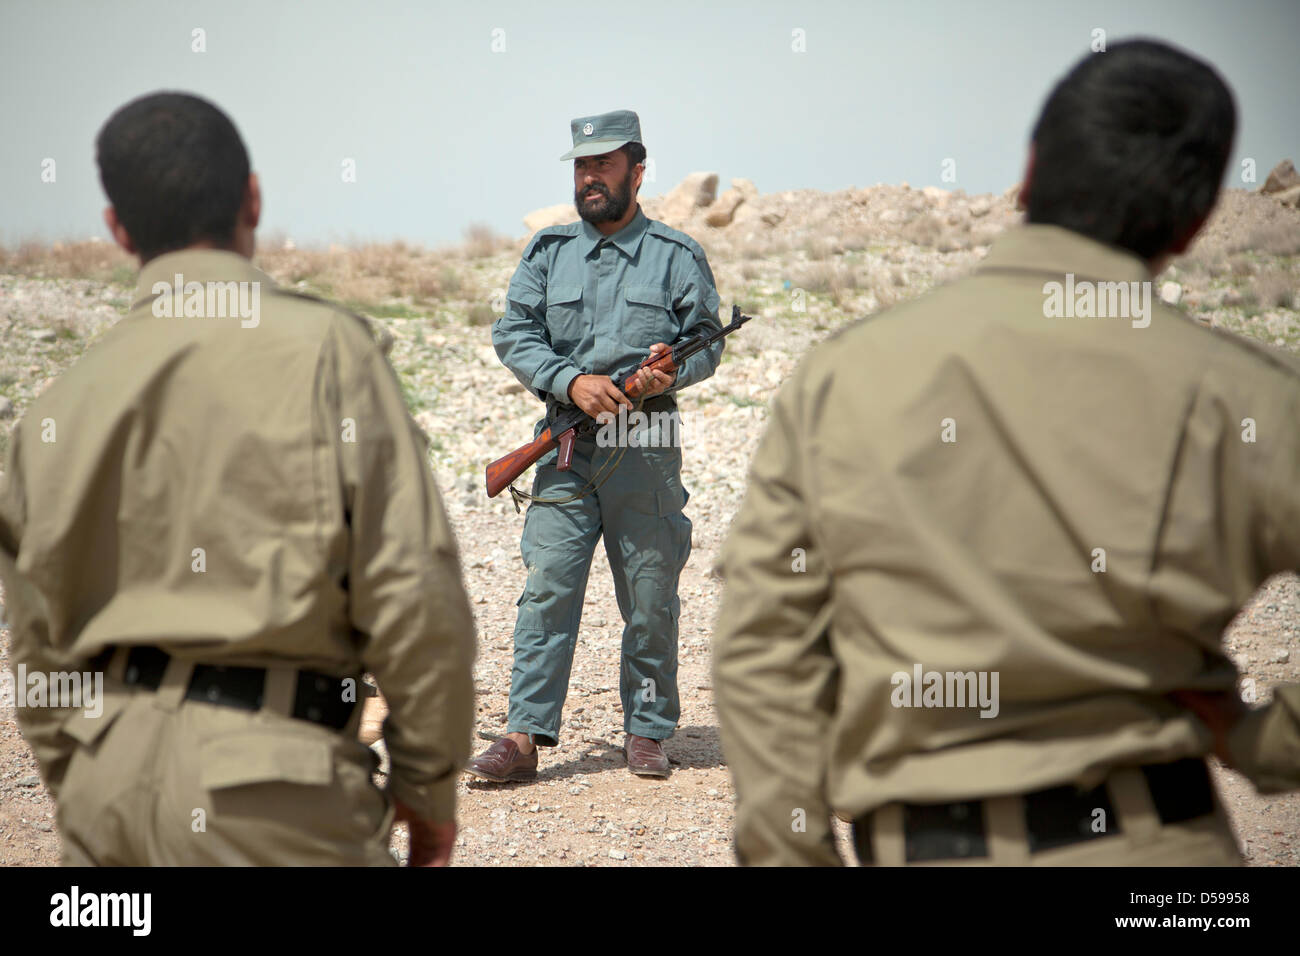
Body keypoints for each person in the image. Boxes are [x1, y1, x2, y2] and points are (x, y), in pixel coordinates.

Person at [713, 39, 1300, 866]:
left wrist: (788, 853)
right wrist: (1261, 741)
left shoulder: (847, 375)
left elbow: (764, 645)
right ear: (1199, 217)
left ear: (1027, 172)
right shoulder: (1249, 394)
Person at [0, 91, 476, 866]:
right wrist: (429, 798)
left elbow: (38, 651)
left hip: (104, 796)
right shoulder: (330, 353)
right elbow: (417, 602)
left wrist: (92, 777)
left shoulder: (60, 403)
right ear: (253, 196)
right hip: (274, 797)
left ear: (117, 228)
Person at [467, 110, 723, 782]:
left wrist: (672, 371)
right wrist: (570, 381)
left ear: (637, 172)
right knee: (548, 588)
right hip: (563, 446)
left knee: (649, 592)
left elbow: (708, 342)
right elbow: (514, 336)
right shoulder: (547, 254)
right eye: (582, 166)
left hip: (647, 445)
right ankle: (522, 736)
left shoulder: (676, 255)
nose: (590, 178)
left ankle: (645, 732)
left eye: (604, 166)